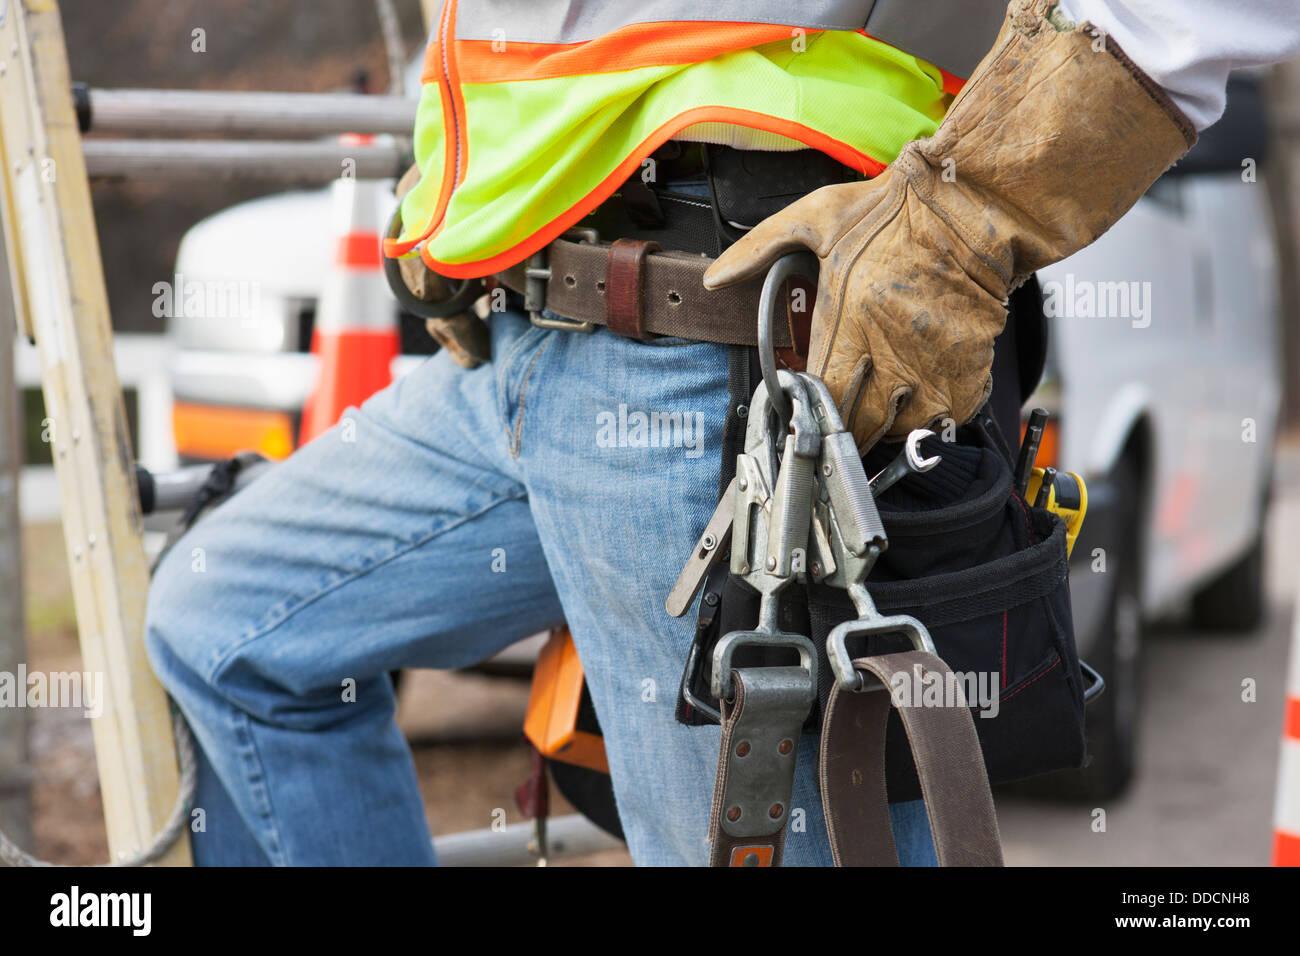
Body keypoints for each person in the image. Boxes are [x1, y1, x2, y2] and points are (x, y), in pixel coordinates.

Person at [145, 0, 1300, 865]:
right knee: (229, 628)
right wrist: (459, 195)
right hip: (525, 341)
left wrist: (972, 215)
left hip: (738, 364)